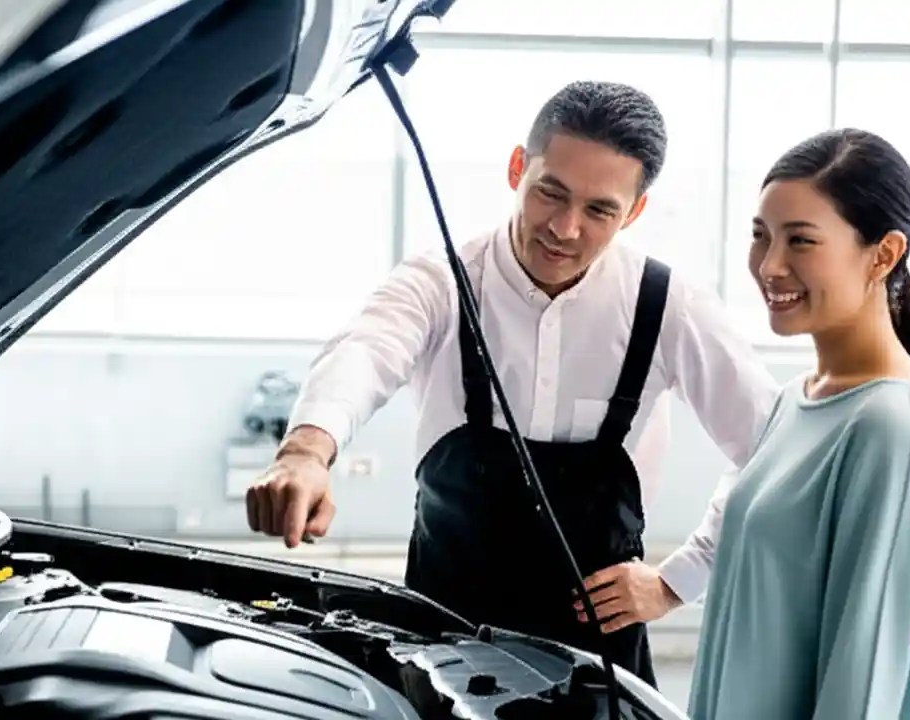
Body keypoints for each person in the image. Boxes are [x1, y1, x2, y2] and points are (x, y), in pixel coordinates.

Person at [245, 79, 779, 686]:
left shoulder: (668, 305)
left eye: (600, 210)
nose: (566, 228)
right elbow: (365, 351)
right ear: (517, 167)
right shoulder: (443, 279)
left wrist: (678, 581)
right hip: (442, 630)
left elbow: (772, 450)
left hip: (597, 650)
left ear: (633, 211)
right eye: (550, 193)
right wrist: (306, 452)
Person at [686, 128, 910, 719]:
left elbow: (862, 688)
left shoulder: (887, 425)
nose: (770, 265)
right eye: (761, 236)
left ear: (884, 255)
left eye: (801, 241)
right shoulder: (796, 401)